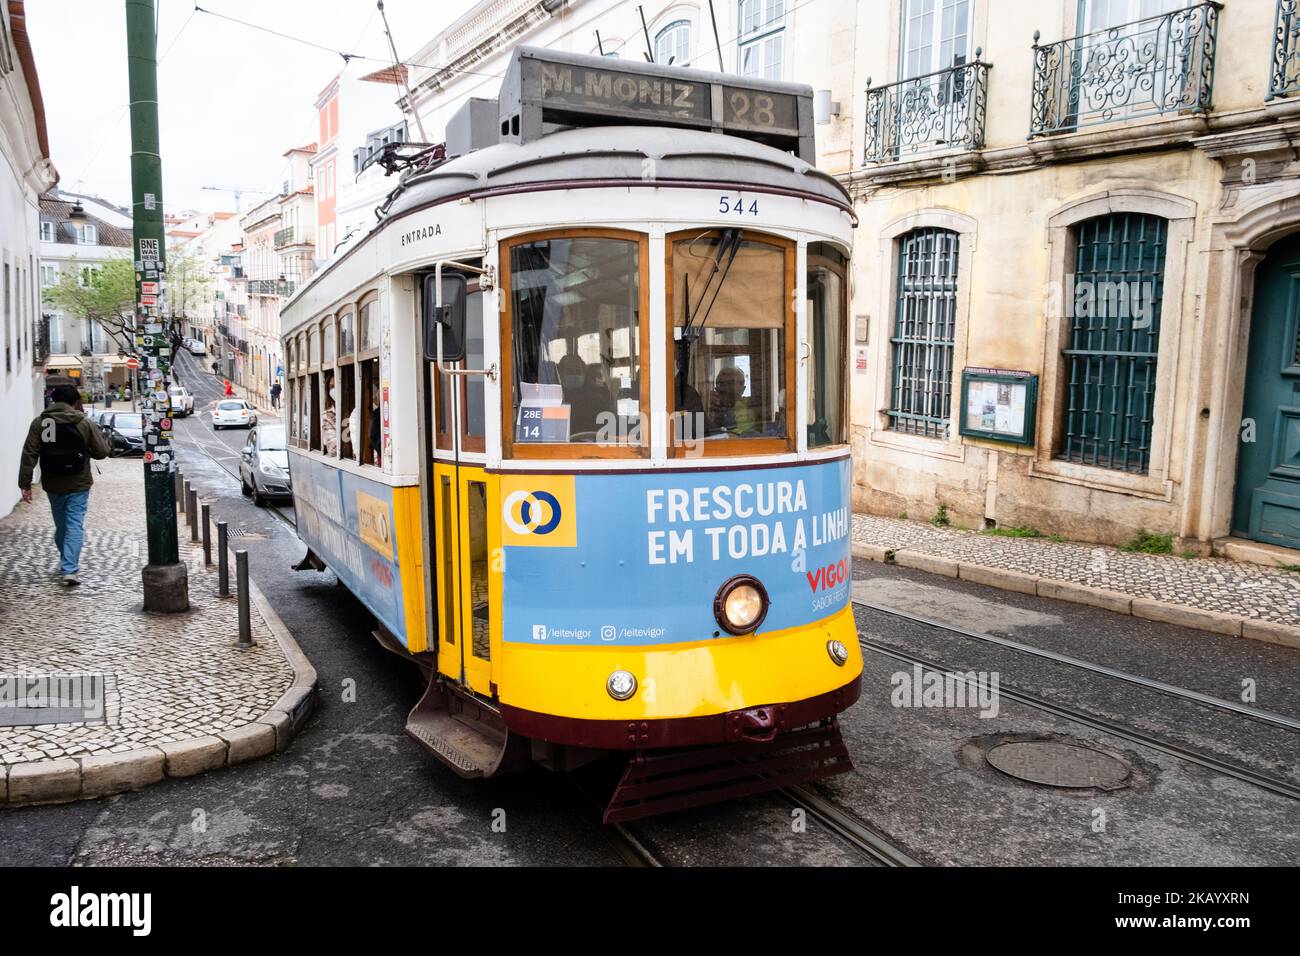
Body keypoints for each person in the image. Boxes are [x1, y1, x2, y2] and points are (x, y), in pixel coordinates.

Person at [17, 384, 112, 586]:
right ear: (74, 401)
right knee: (74, 524)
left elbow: (29, 453)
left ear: (54, 400)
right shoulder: (83, 422)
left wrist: (24, 484)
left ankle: (66, 561)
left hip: (53, 482)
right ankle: (70, 569)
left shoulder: (40, 422)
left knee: (61, 526)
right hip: (79, 482)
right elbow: (102, 452)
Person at [557, 353, 613, 439]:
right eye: (570, 371)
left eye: (578, 371)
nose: (575, 375)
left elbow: (610, 428)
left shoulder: (596, 400)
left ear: (584, 374)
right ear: (560, 374)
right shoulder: (555, 400)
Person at [706, 366, 759, 437]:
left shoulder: (747, 409)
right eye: (722, 384)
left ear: (743, 389)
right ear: (717, 389)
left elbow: (742, 436)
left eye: (730, 384)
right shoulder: (710, 408)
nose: (726, 389)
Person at [321, 371, 339, 456]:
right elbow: (333, 450)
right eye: (332, 387)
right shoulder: (327, 416)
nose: (335, 390)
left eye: (338, 386)